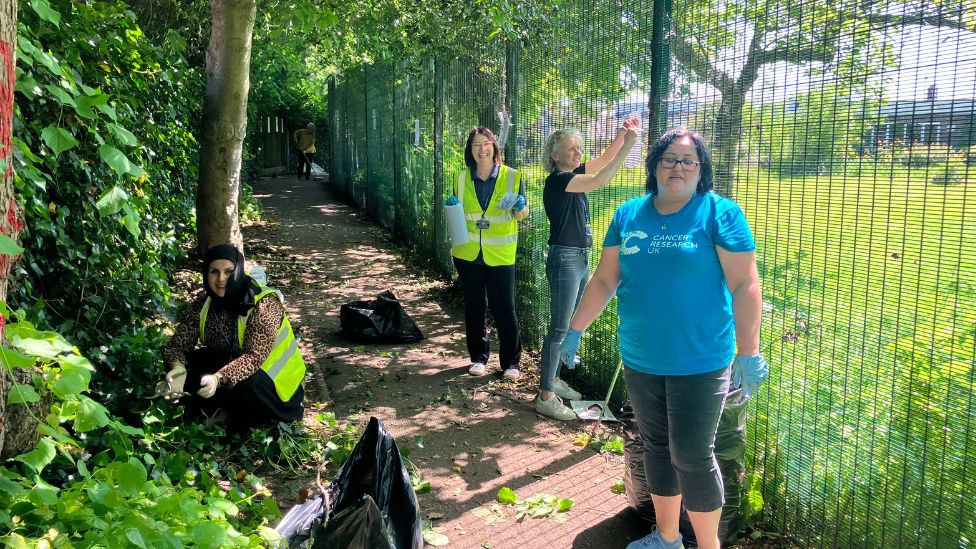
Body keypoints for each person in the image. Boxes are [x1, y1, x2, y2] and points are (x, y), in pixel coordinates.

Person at [559, 128, 768, 549]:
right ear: (653, 167)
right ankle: (668, 538)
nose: (678, 167)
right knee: (656, 448)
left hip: (701, 360)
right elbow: (604, 280)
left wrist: (748, 352)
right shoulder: (628, 215)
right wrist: (574, 328)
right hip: (642, 358)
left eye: (688, 160)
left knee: (692, 455)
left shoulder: (720, 214)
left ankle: (708, 546)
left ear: (701, 170)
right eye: (669, 159)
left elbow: (745, 285)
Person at [534, 119, 640, 421]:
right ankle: (545, 395)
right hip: (565, 259)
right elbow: (601, 179)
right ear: (555, 155)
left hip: (579, 257)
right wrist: (629, 148)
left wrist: (620, 136)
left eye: (579, 148)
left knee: (569, 325)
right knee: (559, 328)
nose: (577, 153)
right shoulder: (558, 180)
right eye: (571, 149)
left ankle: (552, 379)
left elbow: (602, 161)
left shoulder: (572, 173)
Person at [160, 244, 306, 433]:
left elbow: (254, 357)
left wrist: (217, 379)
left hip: (276, 385)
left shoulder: (263, 304)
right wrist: (178, 370)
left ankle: (240, 419)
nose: (221, 279)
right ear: (206, 274)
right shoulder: (203, 304)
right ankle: (215, 408)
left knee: (246, 383)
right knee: (188, 365)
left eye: (228, 272)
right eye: (214, 272)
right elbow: (176, 346)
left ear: (238, 272)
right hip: (229, 364)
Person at [448, 127, 528, 379]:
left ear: (494, 147)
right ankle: (478, 358)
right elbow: (457, 214)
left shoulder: (512, 176)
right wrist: (450, 209)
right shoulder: (460, 178)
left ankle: (511, 363)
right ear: (469, 151)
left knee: (504, 307)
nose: (481, 149)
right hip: (468, 253)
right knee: (474, 307)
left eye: (486, 144)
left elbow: (520, 215)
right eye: (475, 145)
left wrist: (521, 207)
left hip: (500, 254)